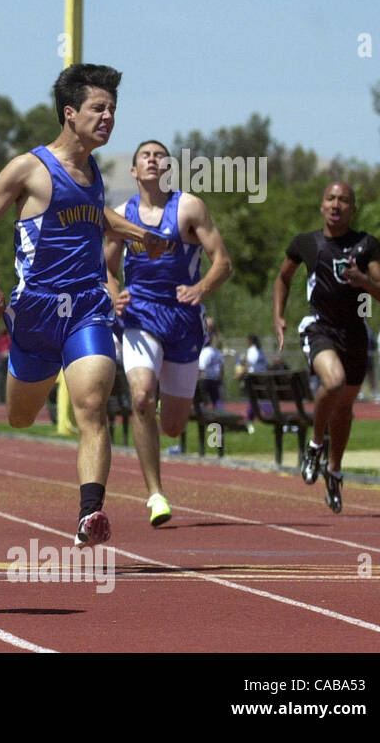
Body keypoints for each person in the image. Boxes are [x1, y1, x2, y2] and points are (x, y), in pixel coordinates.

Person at [0, 63, 163, 547]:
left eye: (113, 108)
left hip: (89, 305)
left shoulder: (94, 170)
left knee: (92, 405)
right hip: (35, 311)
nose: (109, 116)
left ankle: (90, 514)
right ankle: (46, 378)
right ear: (70, 114)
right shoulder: (29, 168)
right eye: (99, 108)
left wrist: (139, 235)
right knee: (20, 417)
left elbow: (97, 216)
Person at [104, 140, 232, 527]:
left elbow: (223, 263)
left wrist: (201, 289)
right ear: (134, 169)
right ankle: (155, 494)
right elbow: (106, 268)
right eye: (145, 155)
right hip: (140, 314)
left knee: (173, 425)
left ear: (168, 167)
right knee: (141, 396)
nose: (152, 160)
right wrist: (114, 295)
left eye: (159, 155)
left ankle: (163, 410)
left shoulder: (189, 207)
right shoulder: (122, 215)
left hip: (183, 320)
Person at [273, 181, 380, 513]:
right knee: (334, 382)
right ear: (322, 205)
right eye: (331, 198)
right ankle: (314, 445)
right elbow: (283, 278)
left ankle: (335, 471)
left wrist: (364, 280)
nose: (337, 204)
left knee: (344, 409)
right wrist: (278, 316)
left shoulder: (367, 245)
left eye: (344, 200)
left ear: (353, 209)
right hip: (319, 327)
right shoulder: (307, 243)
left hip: (354, 333)